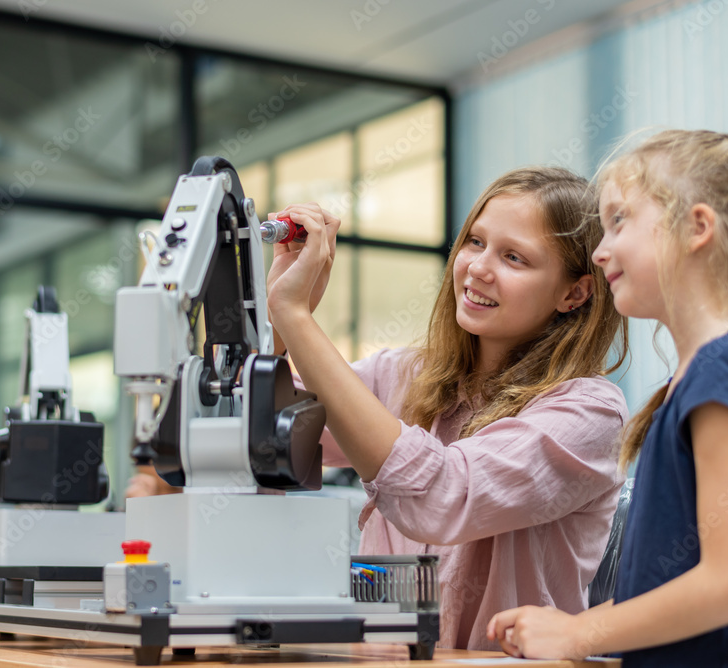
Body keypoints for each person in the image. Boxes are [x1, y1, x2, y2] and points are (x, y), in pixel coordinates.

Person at [266, 166, 629, 649]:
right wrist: (276, 325)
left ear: (574, 292)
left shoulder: (590, 412)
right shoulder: (403, 375)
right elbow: (269, 433)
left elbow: (442, 497)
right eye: (475, 242)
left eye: (514, 257)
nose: (478, 267)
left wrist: (296, 319)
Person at [487, 130, 728, 667]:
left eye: (619, 222)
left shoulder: (726, 369)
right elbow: (674, 581)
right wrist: (574, 626)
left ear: (696, 228)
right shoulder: (703, 376)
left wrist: (578, 636)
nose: (601, 248)